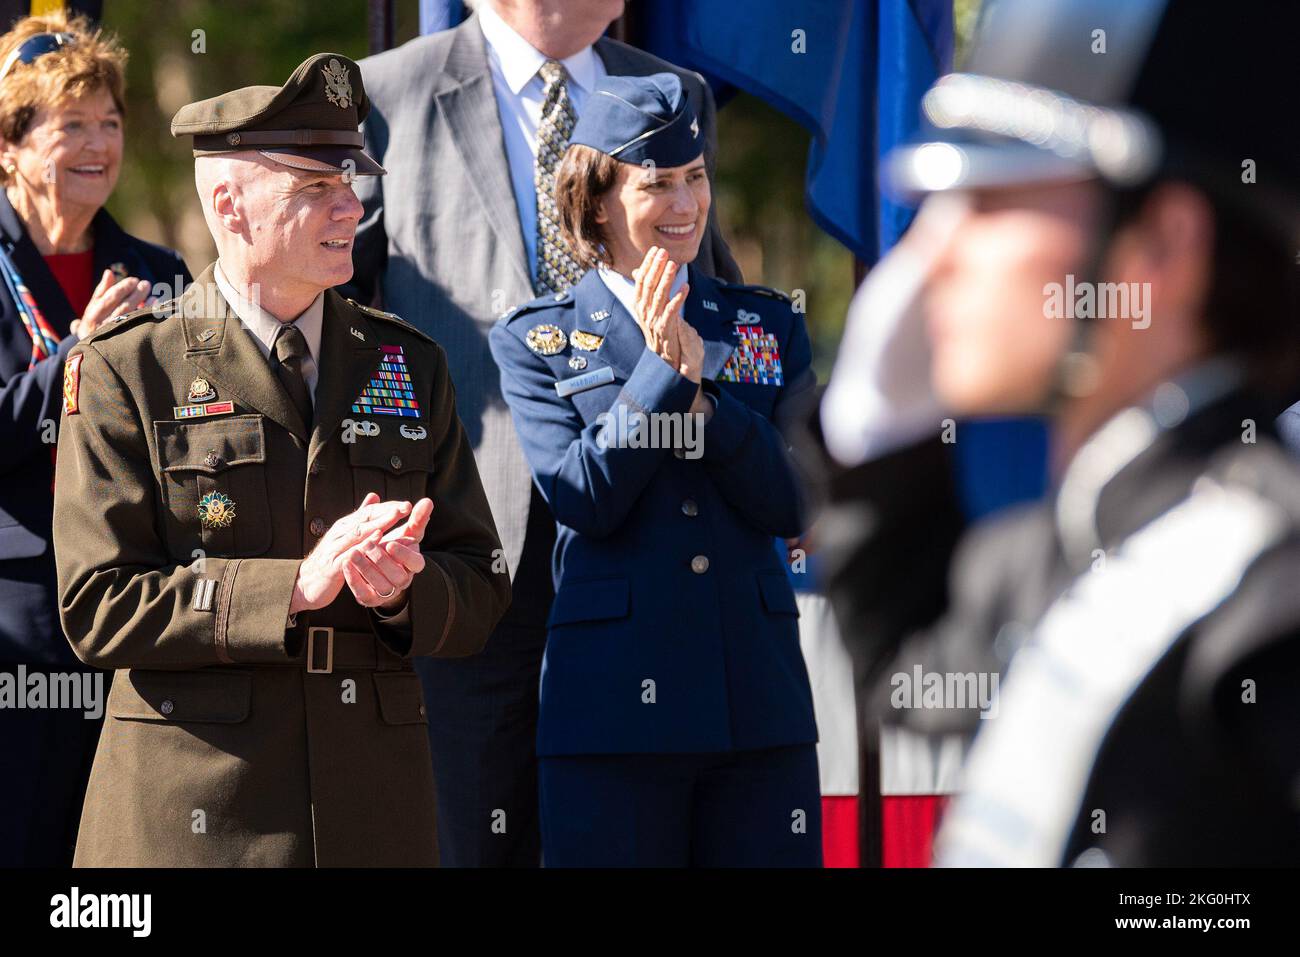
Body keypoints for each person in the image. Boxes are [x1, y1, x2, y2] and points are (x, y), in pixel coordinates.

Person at [818, 0, 1300, 865]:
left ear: (1164, 245)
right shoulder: (1065, 539)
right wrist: (878, 436)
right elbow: (908, 674)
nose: (936, 250)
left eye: (990, 200)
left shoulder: (1273, 590)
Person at [52, 53, 510, 866]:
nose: (351, 206)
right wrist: (288, 589)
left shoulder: (408, 363)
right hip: (201, 812)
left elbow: (479, 581)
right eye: (315, 189)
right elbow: (98, 603)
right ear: (230, 205)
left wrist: (408, 592)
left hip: (373, 808)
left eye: (352, 180)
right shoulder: (129, 368)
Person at [348, 0, 740, 867]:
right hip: (468, 530)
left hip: (648, 528)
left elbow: (718, 294)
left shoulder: (671, 90)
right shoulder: (390, 90)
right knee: (480, 826)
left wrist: (783, 438)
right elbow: (343, 304)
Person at [490, 73, 820, 867]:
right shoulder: (537, 340)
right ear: (599, 201)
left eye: (695, 178)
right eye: (657, 183)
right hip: (612, 719)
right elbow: (582, 496)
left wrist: (706, 399)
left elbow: (796, 496)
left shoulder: (764, 323)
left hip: (756, 711)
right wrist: (661, 377)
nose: (684, 204)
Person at [0, 12, 189, 867]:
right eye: (71, 125)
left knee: (123, 847)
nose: (98, 144)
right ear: (10, 145)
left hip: (134, 598)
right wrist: (77, 356)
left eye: (110, 122)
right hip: (22, 615)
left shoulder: (156, 272)